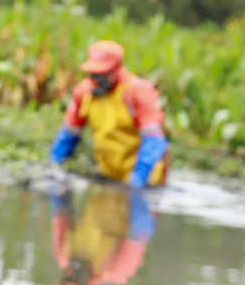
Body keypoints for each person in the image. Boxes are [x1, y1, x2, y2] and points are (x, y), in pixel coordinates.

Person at [48, 40, 169, 189]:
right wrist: (54, 164)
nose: (96, 79)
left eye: (102, 74)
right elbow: (69, 134)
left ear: (116, 69)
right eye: (93, 73)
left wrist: (138, 178)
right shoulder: (84, 92)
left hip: (143, 181)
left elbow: (154, 140)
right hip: (108, 177)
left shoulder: (137, 92)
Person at [50, 182, 157, 285]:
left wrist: (59, 184)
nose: (69, 272)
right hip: (130, 192)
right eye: (74, 279)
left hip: (100, 185)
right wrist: (135, 192)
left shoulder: (63, 255)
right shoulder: (116, 270)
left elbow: (61, 212)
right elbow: (141, 232)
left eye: (65, 278)